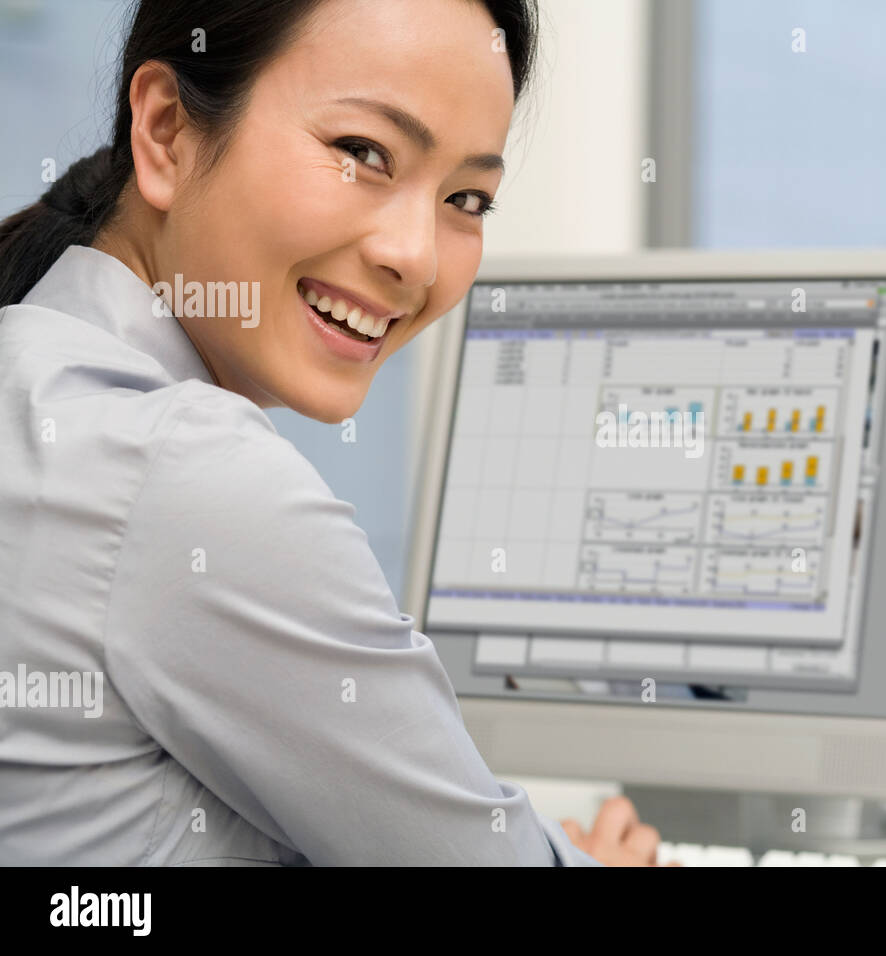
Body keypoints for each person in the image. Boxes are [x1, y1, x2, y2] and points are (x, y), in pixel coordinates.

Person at [0, 0, 662, 865]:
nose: (416, 257)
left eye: (467, 198)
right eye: (362, 153)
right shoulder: (191, 473)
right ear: (166, 132)